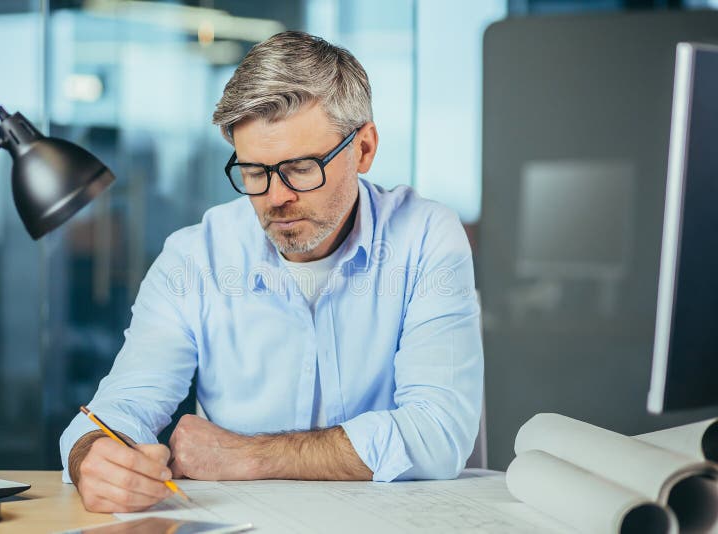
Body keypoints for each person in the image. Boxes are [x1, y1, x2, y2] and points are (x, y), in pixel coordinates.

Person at [60, 30, 483, 513]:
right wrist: (93, 456)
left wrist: (244, 455)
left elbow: (439, 433)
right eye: (255, 173)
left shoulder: (425, 236)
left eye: (302, 168)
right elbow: (119, 407)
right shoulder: (194, 258)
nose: (276, 198)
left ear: (364, 149)